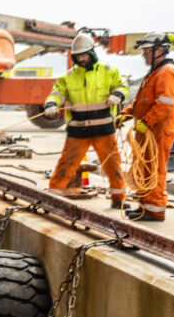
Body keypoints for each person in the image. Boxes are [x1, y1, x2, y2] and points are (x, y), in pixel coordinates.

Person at [43, 33, 129, 204]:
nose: (81, 59)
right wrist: (50, 105)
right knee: (66, 165)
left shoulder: (109, 72)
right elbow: (55, 94)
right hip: (78, 130)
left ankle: (118, 198)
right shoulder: (67, 77)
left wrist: (119, 94)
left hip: (103, 129)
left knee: (113, 165)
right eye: (78, 56)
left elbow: (122, 86)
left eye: (84, 55)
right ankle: (52, 197)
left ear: (92, 53)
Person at [122, 31, 174, 223]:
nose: (144, 54)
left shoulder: (167, 72)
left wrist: (146, 122)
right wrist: (126, 113)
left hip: (159, 129)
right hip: (148, 128)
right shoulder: (155, 73)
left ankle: (155, 209)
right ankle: (144, 206)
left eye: (147, 50)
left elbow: (165, 104)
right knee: (143, 167)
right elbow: (144, 101)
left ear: (160, 50)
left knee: (154, 170)